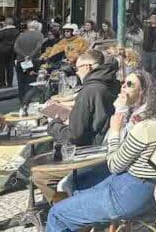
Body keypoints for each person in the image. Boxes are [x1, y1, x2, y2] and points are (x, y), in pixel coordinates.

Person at [45, 82, 156, 232]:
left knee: (57, 214)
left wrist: (115, 131)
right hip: (152, 191)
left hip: (129, 191)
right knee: (76, 189)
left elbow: (114, 165)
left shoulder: (146, 129)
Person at [34, 50, 120, 201]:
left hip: (91, 153)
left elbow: (74, 136)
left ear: (87, 67)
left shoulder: (89, 91)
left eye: (77, 68)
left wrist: (53, 124)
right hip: (105, 146)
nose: (76, 72)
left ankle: (65, 210)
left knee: (39, 175)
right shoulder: (113, 83)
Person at [14, 19, 44, 103]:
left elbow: (15, 47)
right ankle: (28, 101)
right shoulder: (39, 35)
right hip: (33, 61)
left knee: (21, 82)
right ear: (38, 27)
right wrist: (30, 56)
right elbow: (38, 47)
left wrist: (24, 56)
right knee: (31, 82)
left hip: (20, 61)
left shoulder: (21, 35)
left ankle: (22, 100)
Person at [0, 17, 19, 88]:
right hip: (12, 50)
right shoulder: (17, 31)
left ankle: (2, 83)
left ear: (6, 23)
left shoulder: (2, 32)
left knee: (1, 67)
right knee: (10, 67)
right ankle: (10, 83)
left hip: (1, 51)